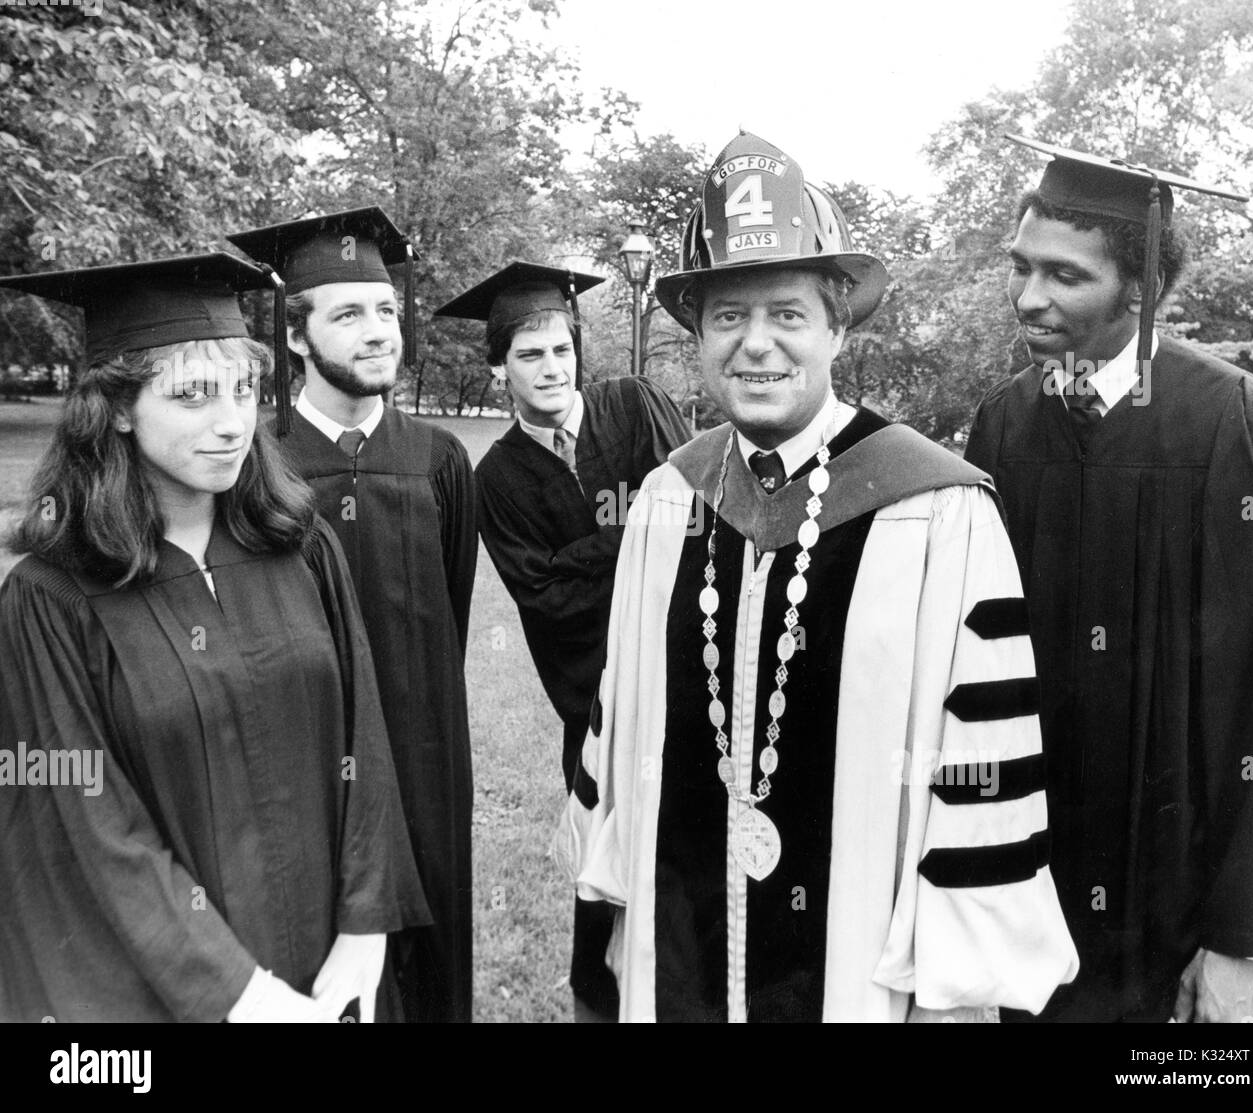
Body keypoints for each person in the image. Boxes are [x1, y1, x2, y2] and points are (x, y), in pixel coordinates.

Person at [559, 132, 1079, 1022]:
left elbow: (980, 764)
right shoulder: (665, 499)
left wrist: (951, 980)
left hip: (860, 969)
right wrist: (610, 906)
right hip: (675, 942)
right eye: (728, 317)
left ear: (837, 326)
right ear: (698, 334)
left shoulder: (939, 512)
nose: (755, 344)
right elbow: (621, 727)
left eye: (787, 315)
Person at [0, 254, 429, 1022]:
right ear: (119, 407)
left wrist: (366, 926)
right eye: (193, 395)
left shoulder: (301, 548)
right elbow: (86, 816)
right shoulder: (52, 598)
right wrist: (241, 995)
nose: (232, 421)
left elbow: (367, 738)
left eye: (242, 389)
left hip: (336, 974)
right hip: (172, 988)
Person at [965, 136, 1253, 1023]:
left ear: (1141, 290)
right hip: (1037, 894)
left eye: (1065, 276)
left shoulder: (1243, 427)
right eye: (1022, 266)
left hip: (1192, 900)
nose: (1029, 296)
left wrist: (1248, 937)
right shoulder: (1004, 425)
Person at [226, 208, 477, 1023]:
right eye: (347, 314)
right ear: (296, 336)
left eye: (385, 312)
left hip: (428, 750)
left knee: (434, 959)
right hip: (309, 761)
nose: (378, 332)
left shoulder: (438, 460)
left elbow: (455, 606)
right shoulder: (254, 467)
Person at [435, 261, 692, 1021]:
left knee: (687, 864)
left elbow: (702, 513)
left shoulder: (634, 406)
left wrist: (595, 551)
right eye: (528, 355)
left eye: (560, 351)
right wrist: (639, 529)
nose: (550, 369)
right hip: (596, 705)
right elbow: (547, 602)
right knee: (602, 871)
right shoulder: (498, 481)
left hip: (687, 672)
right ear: (498, 373)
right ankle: (598, 1003)